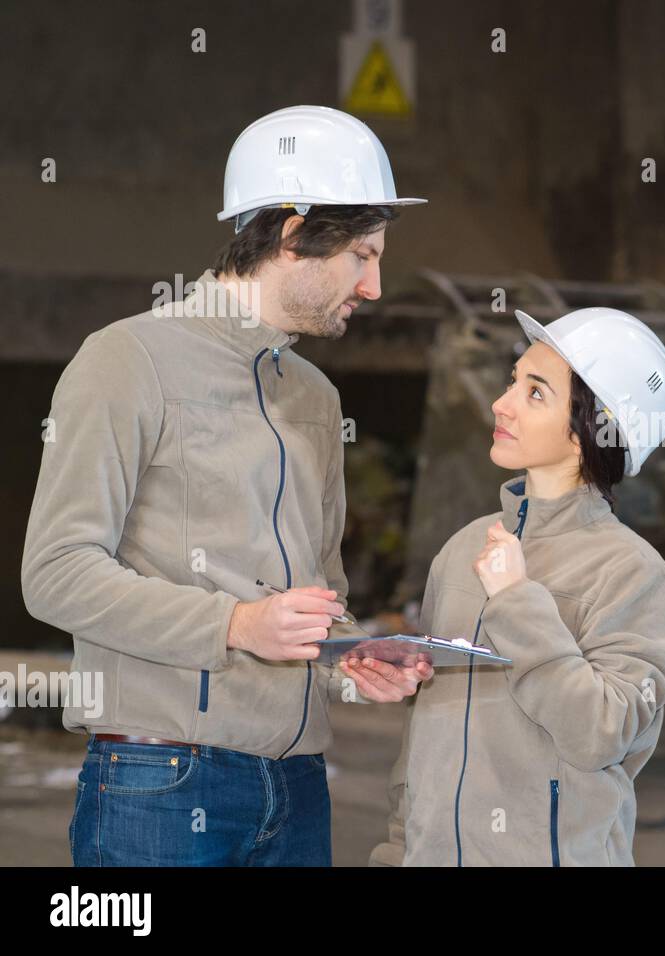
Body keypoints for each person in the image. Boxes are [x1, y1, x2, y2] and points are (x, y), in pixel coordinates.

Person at [21, 105, 429, 866]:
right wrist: (237, 625)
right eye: (362, 257)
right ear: (293, 232)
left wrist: (355, 658)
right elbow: (55, 574)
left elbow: (319, 593)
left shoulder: (314, 397)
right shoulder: (127, 360)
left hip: (300, 784)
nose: (374, 286)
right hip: (162, 781)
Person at [369, 306, 665, 866]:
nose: (502, 402)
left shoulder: (635, 576)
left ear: (593, 428)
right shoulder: (464, 550)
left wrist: (517, 602)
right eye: (513, 380)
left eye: (536, 393)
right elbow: (426, 736)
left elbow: (601, 733)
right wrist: (398, 852)